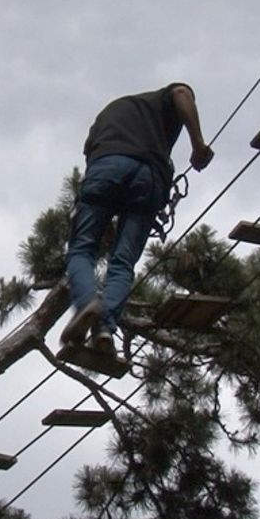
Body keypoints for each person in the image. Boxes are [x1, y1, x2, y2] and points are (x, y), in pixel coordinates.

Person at [60, 82, 214, 355]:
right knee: (123, 261)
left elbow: (90, 155)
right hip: (149, 178)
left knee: (82, 249)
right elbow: (181, 93)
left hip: (105, 167)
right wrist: (198, 143)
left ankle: (87, 305)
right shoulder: (161, 100)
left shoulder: (105, 117)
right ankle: (104, 330)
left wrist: (102, 215)